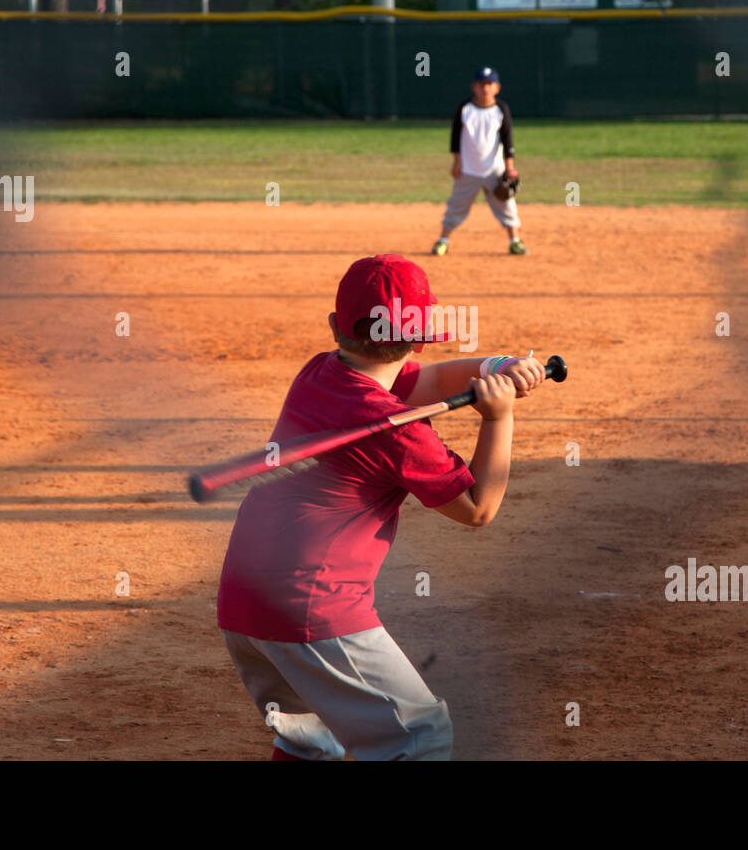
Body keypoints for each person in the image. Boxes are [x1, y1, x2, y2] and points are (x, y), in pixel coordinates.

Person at [216, 254, 545, 760]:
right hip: (312, 609)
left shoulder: (319, 373)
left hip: (243, 600)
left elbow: (429, 383)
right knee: (418, 735)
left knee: (314, 734)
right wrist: (497, 418)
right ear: (419, 336)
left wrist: (494, 367)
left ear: (335, 327)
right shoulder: (400, 432)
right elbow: (478, 507)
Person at [432, 66, 527, 257]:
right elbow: (455, 138)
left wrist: (509, 168)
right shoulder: (465, 108)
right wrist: (456, 162)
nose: (485, 88)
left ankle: (514, 241)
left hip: (494, 170)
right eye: (481, 84)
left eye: (489, 84)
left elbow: (508, 140)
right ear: (474, 87)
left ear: (497, 88)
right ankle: (443, 240)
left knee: (507, 207)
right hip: (468, 170)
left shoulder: (501, 110)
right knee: (456, 206)